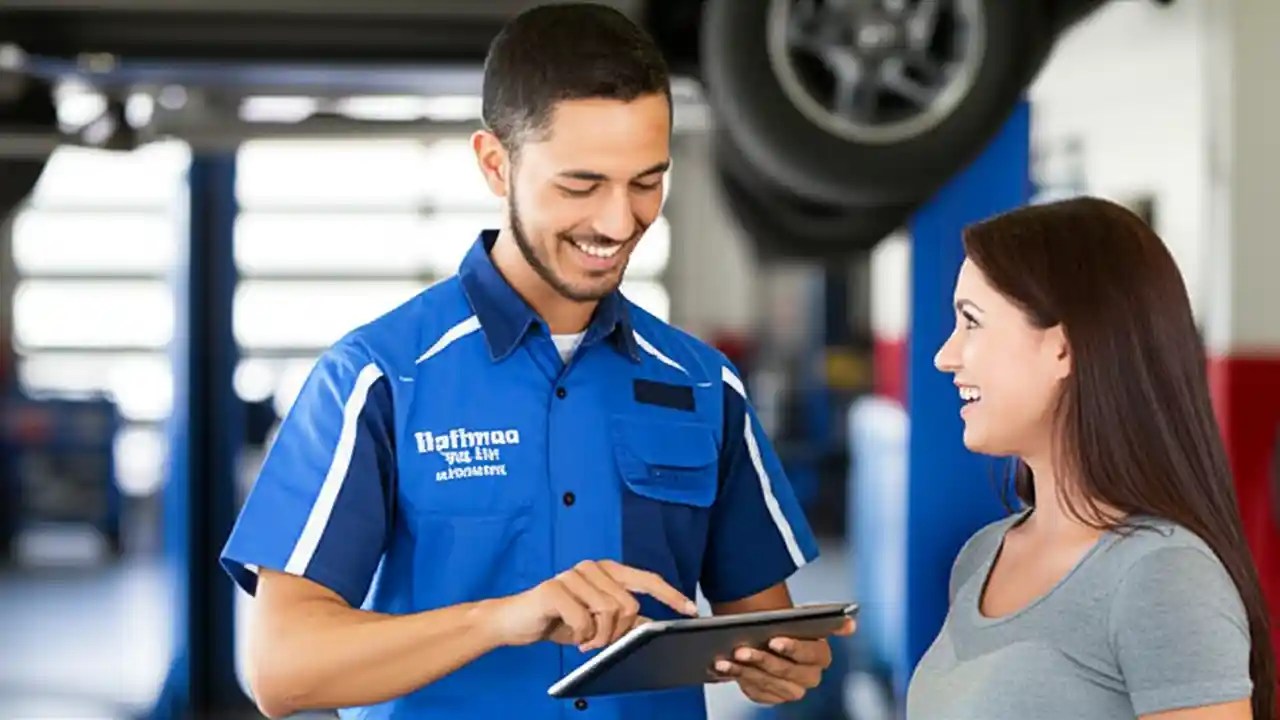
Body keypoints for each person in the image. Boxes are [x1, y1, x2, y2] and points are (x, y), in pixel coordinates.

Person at [218, 4, 852, 719]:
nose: (618, 222)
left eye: (647, 182)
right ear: (496, 164)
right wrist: (499, 619)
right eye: (581, 186)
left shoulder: (704, 385)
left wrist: (783, 663)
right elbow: (282, 670)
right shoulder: (378, 379)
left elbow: (763, 625)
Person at [909, 196, 1276, 719]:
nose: (945, 356)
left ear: (1063, 348)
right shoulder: (981, 557)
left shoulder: (1164, 576)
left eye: (972, 322)